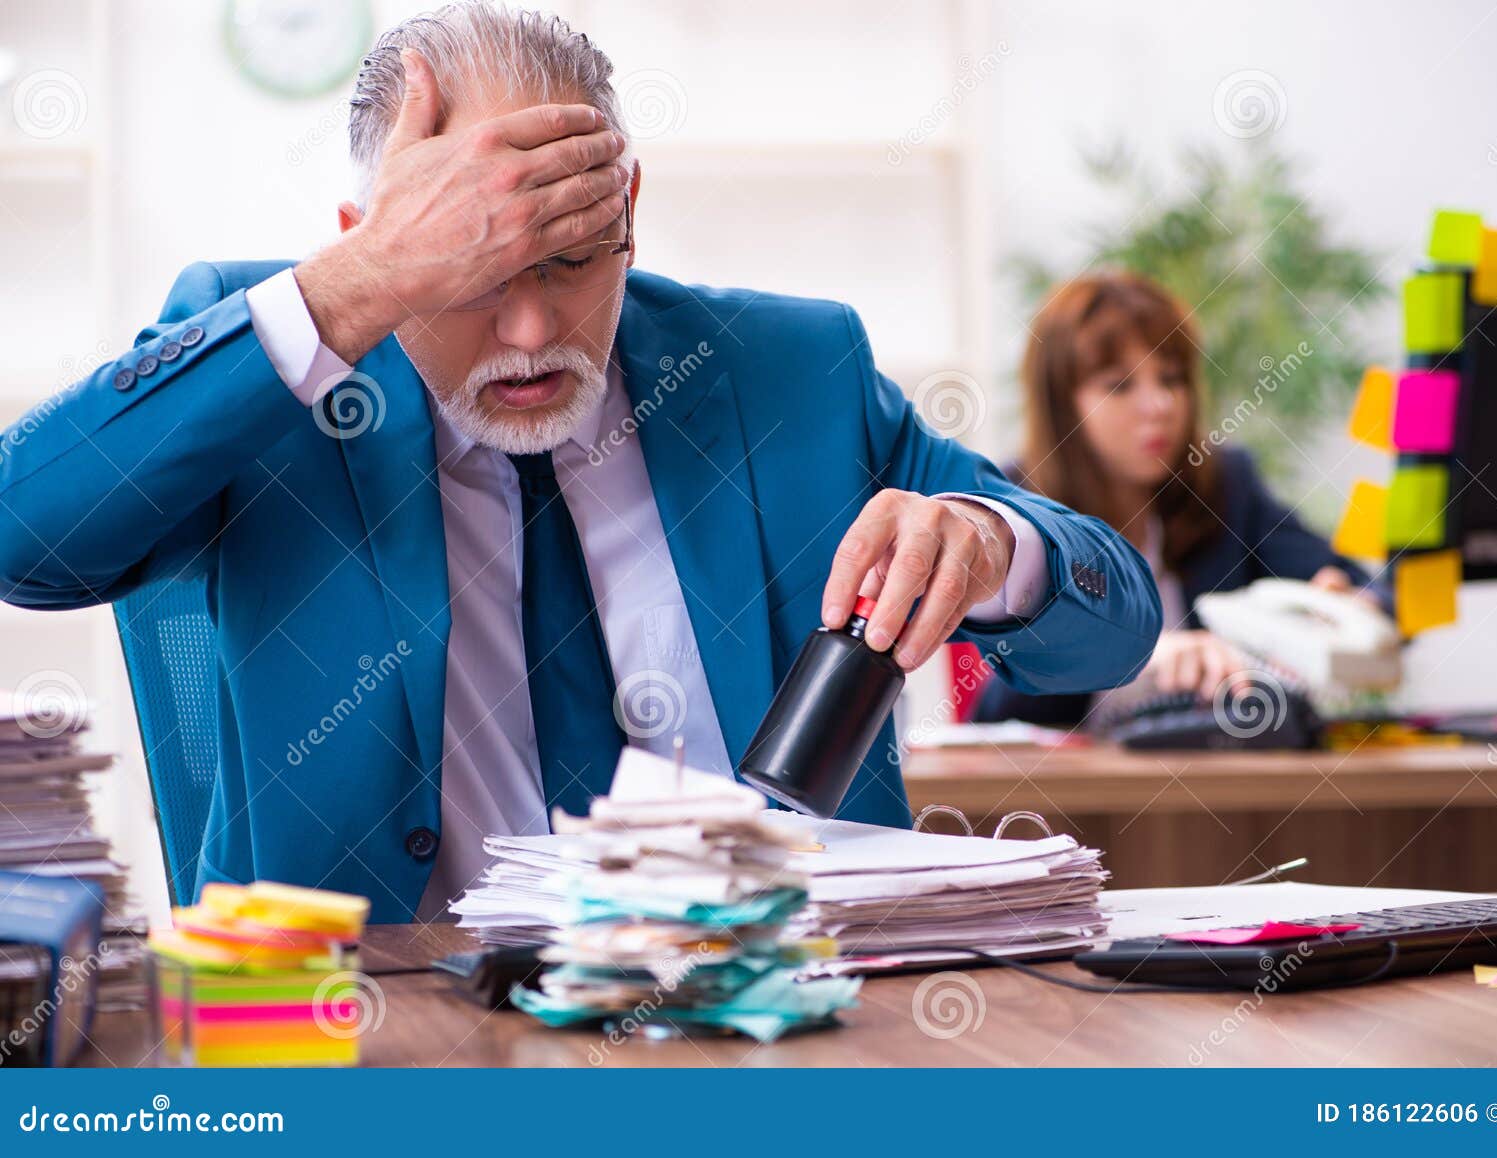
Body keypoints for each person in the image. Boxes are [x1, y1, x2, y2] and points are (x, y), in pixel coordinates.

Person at [0, 4, 1160, 920]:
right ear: (371, 242)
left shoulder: (790, 371)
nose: (527, 332)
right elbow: (24, 537)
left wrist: (994, 545)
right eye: (468, 274)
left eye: (566, 259)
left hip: (773, 1026)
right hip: (390, 1039)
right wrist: (353, 291)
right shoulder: (283, 363)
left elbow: (1113, 625)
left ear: (629, 209)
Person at [975, 271, 1385, 728]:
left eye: (1171, 379)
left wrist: (1349, 602)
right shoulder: (1012, 514)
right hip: (1065, 774)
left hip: (1214, 766)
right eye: (1119, 385)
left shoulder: (1226, 485)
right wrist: (1130, 651)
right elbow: (997, 715)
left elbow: (1366, 590)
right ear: (1062, 405)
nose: (1160, 406)